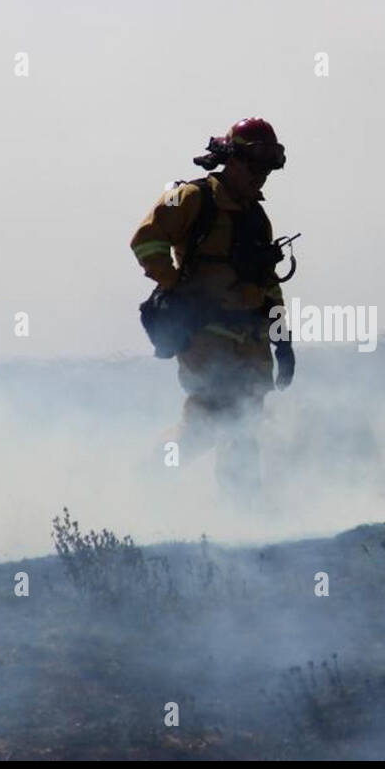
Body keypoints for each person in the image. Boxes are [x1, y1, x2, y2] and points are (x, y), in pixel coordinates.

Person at [129, 118, 294, 495]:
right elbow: (145, 241)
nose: (262, 176)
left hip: (250, 344)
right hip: (206, 337)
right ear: (232, 160)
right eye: (255, 166)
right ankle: (142, 486)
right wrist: (177, 288)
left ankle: (245, 515)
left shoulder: (257, 217)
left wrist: (282, 341)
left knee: (245, 425)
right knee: (211, 421)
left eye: (268, 168)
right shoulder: (190, 198)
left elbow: (269, 286)